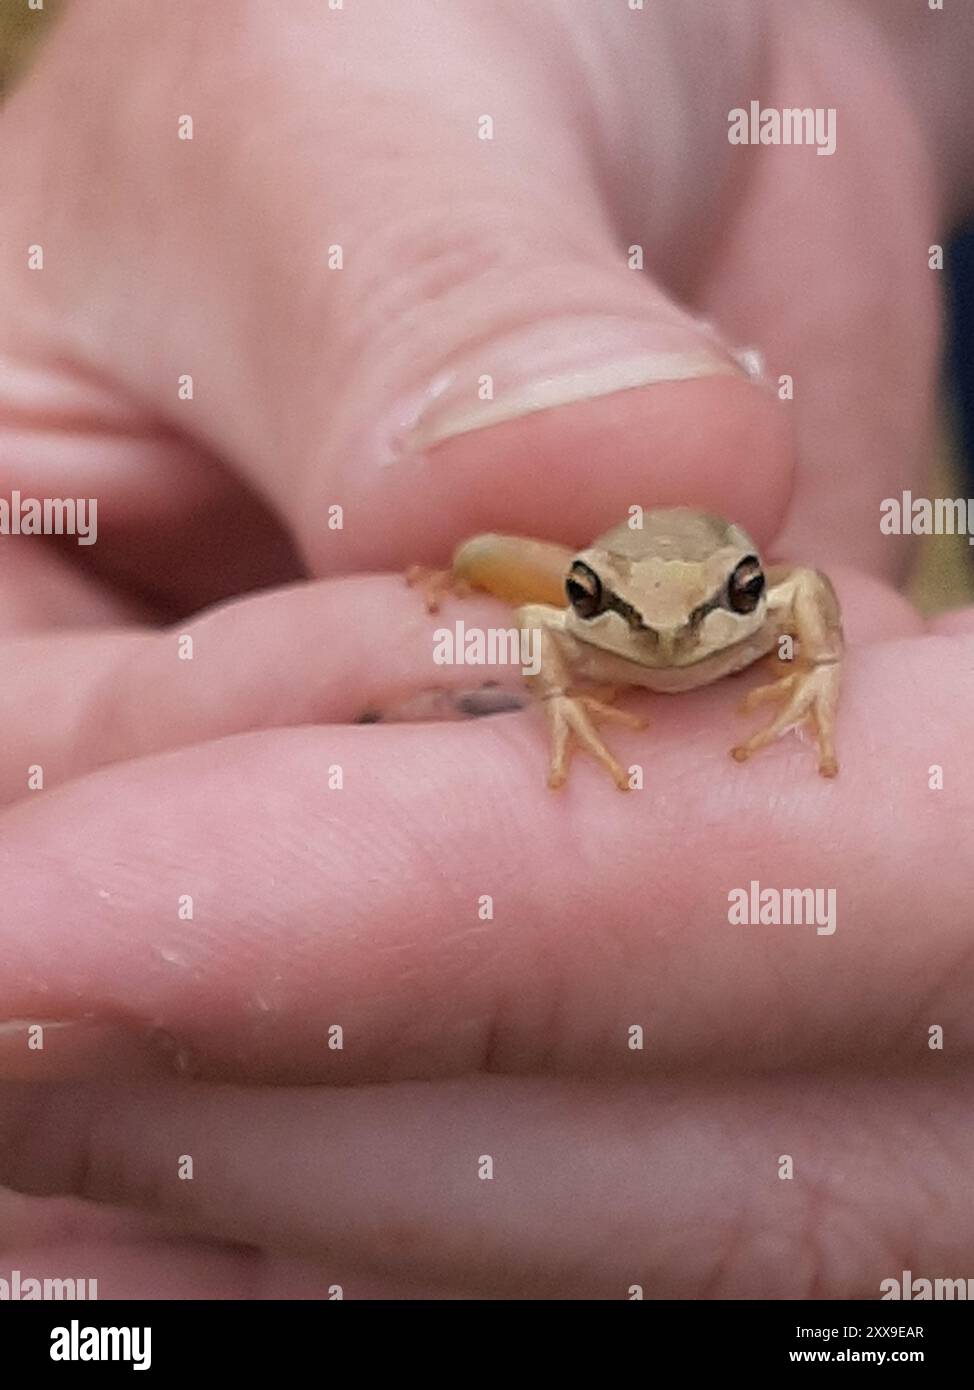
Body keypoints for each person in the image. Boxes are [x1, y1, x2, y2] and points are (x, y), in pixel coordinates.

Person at [0, 0, 971, 1299]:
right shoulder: (584, 616)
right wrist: (825, 41)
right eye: (629, 620)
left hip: (702, 534)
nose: (674, 643)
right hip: (605, 550)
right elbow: (564, 627)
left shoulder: (755, 600)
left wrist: (813, 680)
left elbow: (799, 594)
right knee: (489, 563)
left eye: (718, 613)